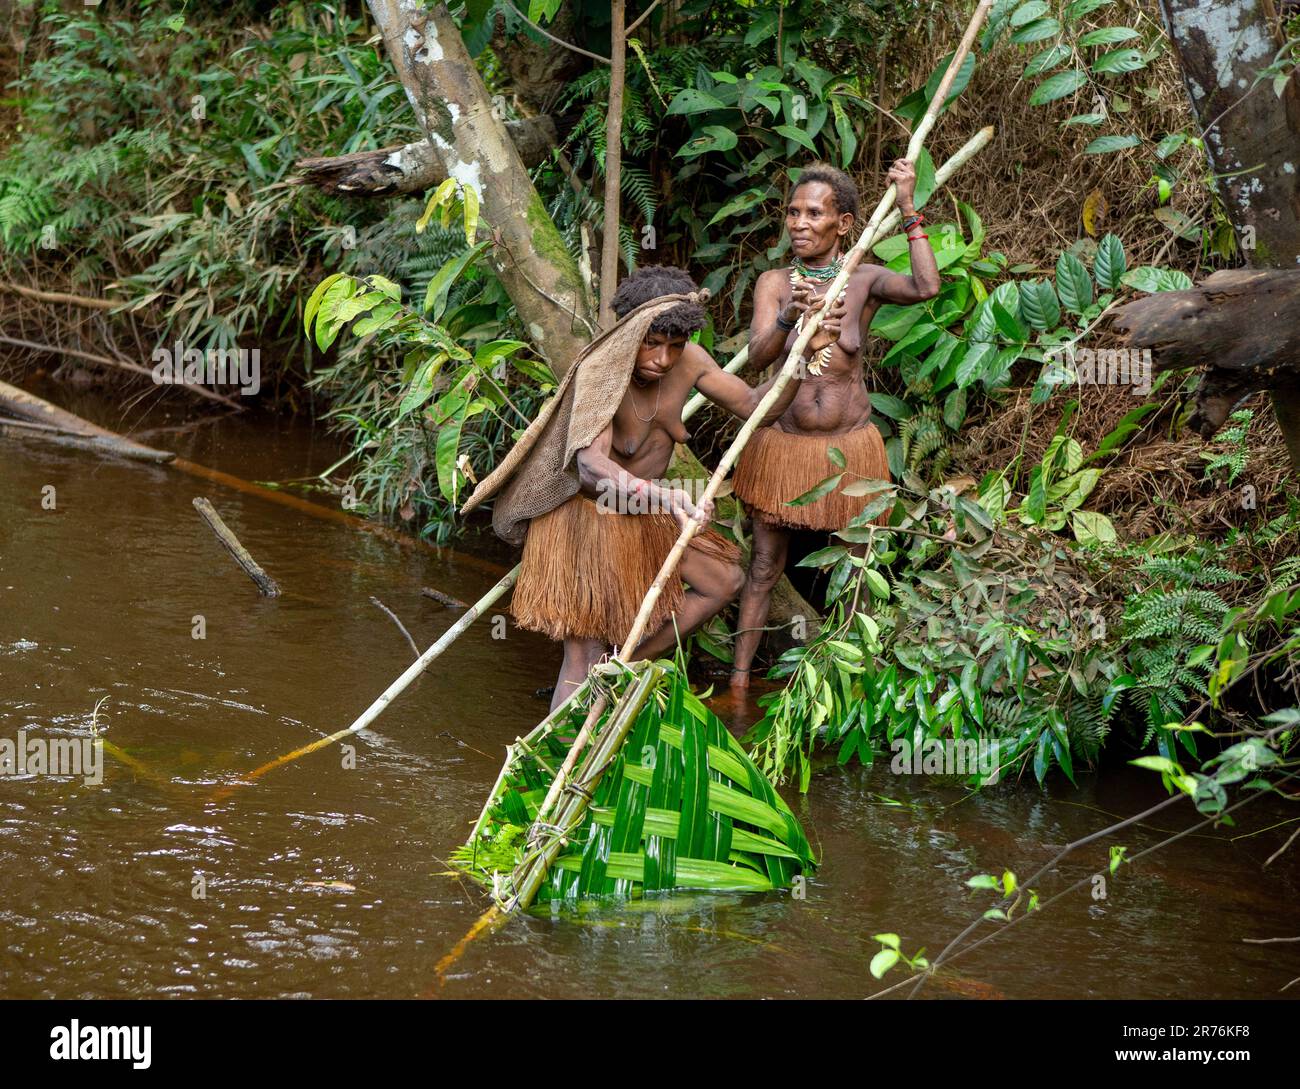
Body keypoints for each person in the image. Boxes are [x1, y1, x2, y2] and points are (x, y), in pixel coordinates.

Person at [493, 266, 808, 709]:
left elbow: (758, 406)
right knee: (580, 653)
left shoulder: (691, 361)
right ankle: (555, 763)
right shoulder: (602, 372)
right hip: (586, 516)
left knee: (723, 579)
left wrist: (802, 354)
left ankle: (617, 665)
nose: (662, 359)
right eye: (652, 344)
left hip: (643, 510)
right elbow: (589, 465)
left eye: (674, 347)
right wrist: (664, 496)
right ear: (628, 331)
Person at [729, 160, 941, 689]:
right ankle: (736, 683)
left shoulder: (863, 279)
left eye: (814, 214)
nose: (799, 223)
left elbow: (926, 286)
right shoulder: (775, 282)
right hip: (783, 445)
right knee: (762, 566)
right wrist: (789, 319)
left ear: (843, 223)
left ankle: (855, 683)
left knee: (857, 572)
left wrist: (909, 206)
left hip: (850, 451)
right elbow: (757, 359)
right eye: (792, 212)